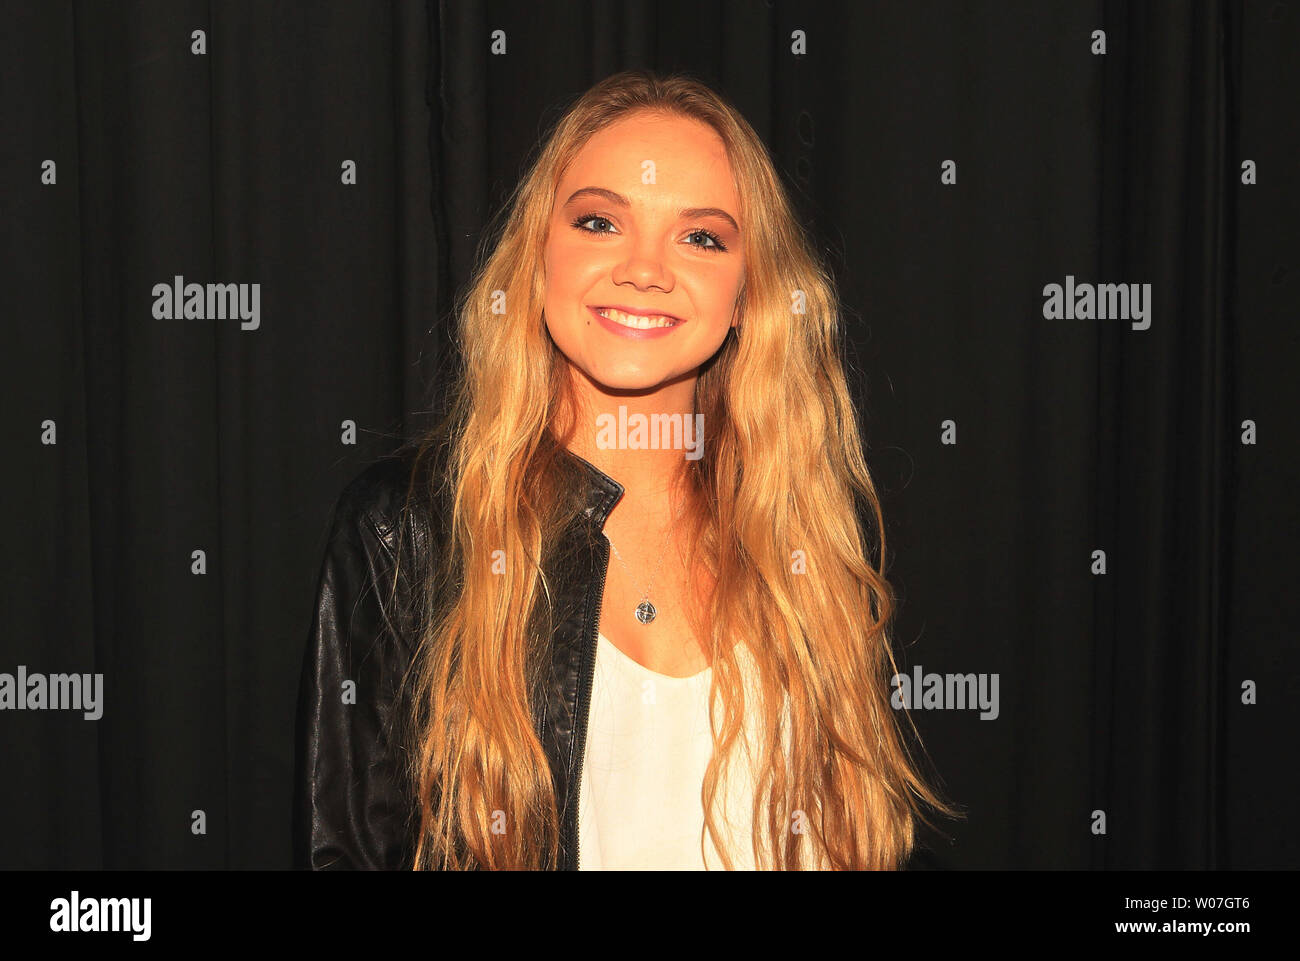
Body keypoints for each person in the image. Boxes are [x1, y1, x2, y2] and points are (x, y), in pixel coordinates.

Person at [294, 69, 959, 871]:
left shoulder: (801, 533)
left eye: (702, 236)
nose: (645, 269)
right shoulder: (407, 529)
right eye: (601, 222)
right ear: (538, 256)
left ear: (750, 292)